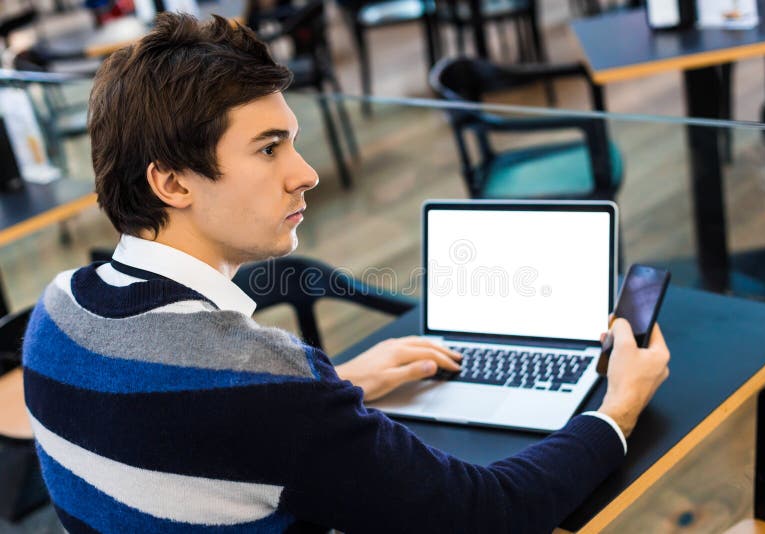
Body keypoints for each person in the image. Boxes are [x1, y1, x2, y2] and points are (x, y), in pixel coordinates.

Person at [22, 13, 670, 533]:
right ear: (170, 182)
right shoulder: (262, 384)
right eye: (269, 148)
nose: (306, 174)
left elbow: (179, 438)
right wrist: (620, 405)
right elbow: (492, 513)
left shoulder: (57, 312)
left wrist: (343, 384)